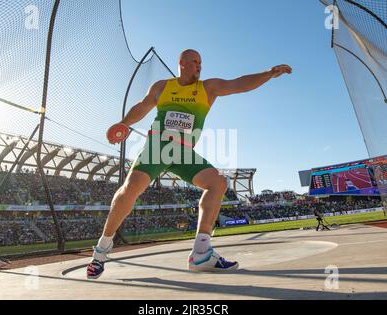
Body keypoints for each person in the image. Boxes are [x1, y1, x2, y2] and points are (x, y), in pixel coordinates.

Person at [87, 49, 292, 279]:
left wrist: (268, 74)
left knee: (218, 183)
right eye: (196, 62)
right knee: (130, 189)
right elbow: (142, 106)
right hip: (158, 147)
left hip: (183, 152)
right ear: (182, 63)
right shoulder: (162, 87)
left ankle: (201, 253)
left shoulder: (207, 88)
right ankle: (101, 251)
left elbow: (239, 84)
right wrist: (124, 123)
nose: (200, 66)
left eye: (201, 63)